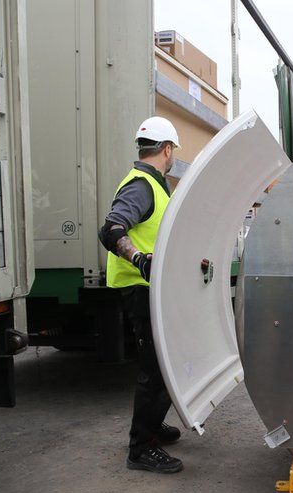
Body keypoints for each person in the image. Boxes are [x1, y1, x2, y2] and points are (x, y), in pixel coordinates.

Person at [98, 116, 184, 473]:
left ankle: (153, 425)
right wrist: (139, 258)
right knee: (156, 370)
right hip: (141, 289)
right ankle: (141, 448)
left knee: (162, 367)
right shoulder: (141, 186)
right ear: (166, 150)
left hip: (150, 289)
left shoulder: (152, 184)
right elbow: (111, 229)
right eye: (173, 151)